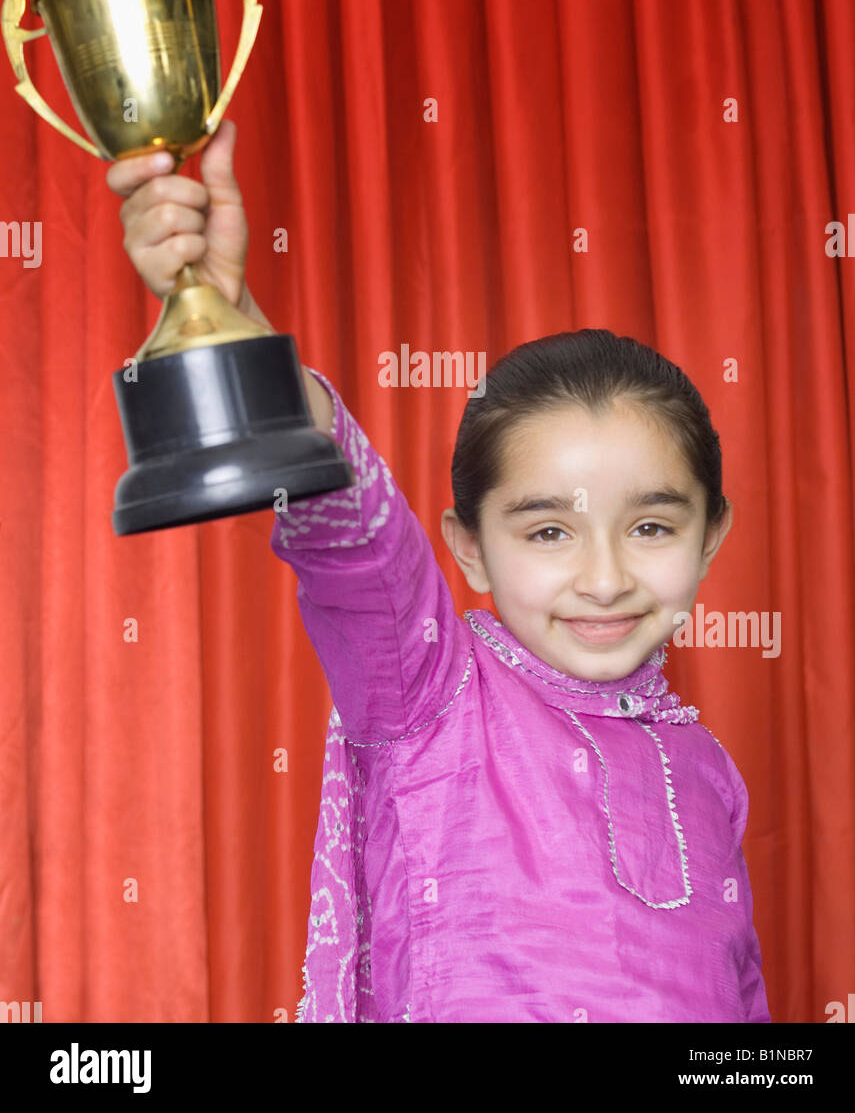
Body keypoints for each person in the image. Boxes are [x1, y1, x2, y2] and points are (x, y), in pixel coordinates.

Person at [108, 121, 771, 1025]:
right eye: (546, 532)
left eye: (650, 525)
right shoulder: (431, 694)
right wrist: (235, 332)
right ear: (467, 546)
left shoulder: (706, 769)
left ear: (712, 535)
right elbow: (355, 545)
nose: (605, 577)